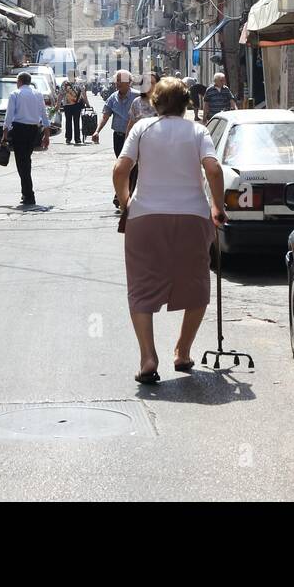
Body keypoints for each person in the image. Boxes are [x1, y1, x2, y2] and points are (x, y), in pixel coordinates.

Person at [113, 77, 227, 384]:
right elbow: (213, 169)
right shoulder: (198, 131)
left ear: (155, 102)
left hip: (145, 215)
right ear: (187, 103)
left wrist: (126, 203)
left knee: (141, 287)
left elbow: (121, 169)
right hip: (192, 215)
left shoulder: (142, 129)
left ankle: (148, 357)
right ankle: (182, 350)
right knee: (196, 284)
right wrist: (217, 206)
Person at [1, 72, 51, 206]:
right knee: (25, 161)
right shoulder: (38, 94)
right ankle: (26, 193)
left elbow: (9, 116)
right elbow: (44, 115)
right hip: (33, 131)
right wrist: (46, 134)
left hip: (19, 130)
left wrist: (4, 134)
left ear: (20, 81)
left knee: (22, 163)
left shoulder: (15, 94)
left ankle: (29, 195)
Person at [94, 70, 138, 206]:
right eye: (116, 80)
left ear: (129, 82)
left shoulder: (137, 97)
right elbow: (105, 116)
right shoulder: (113, 97)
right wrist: (97, 131)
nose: (117, 83)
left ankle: (123, 195)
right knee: (124, 166)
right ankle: (124, 194)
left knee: (132, 167)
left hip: (135, 138)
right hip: (118, 137)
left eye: (121, 80)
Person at [61, 76, 87, 145]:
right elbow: (84, 93)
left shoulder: (65, 83)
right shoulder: (79, 83)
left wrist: (57, 104)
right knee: (76, 121)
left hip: (67, 105)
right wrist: (87, 103)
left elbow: (61, 94)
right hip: (77, 105)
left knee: (68, 121)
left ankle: (68, 138)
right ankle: (77, 139)